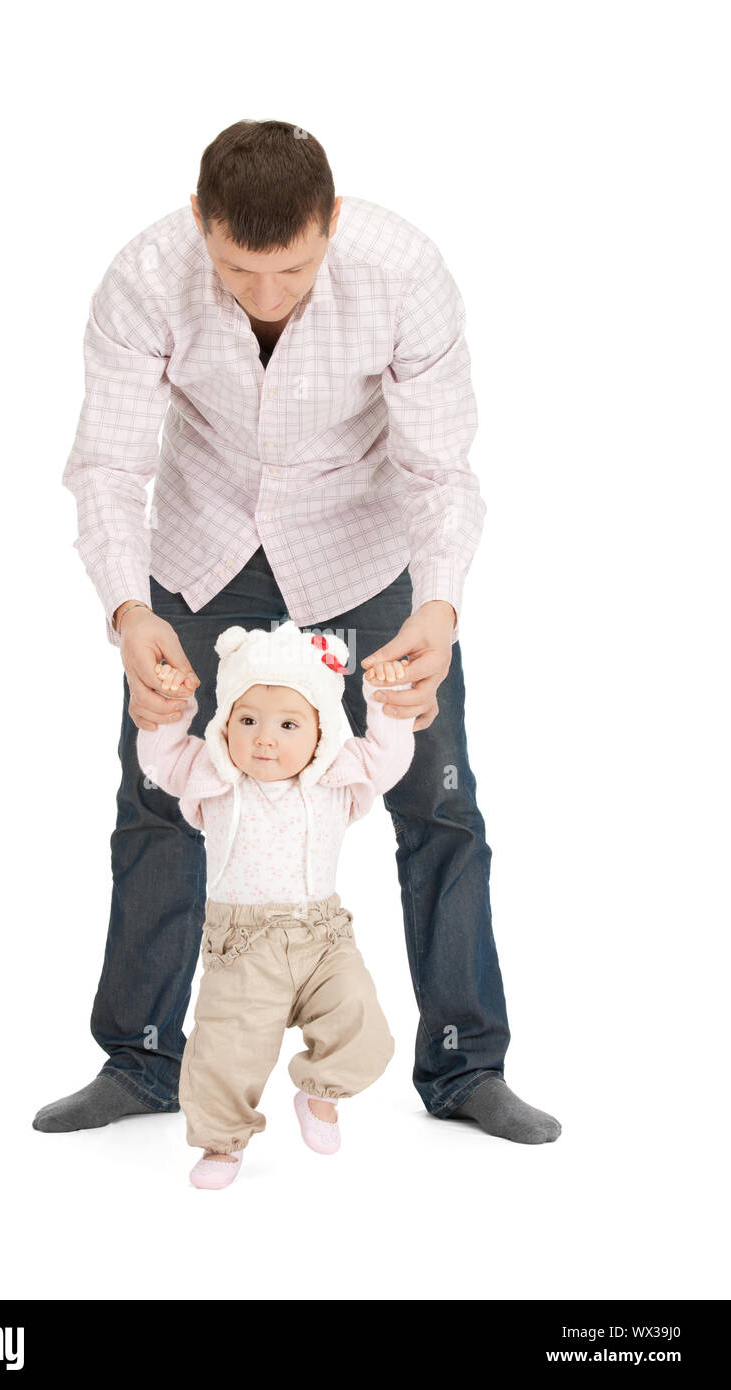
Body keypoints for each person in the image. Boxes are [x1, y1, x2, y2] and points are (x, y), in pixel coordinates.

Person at [35, 118, 561, 1145]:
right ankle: (142, 1054)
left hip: (362, 553)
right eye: (238, 268)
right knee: (158, 794)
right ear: (201, 226)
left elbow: (441, 472)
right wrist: (127, 610)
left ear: (331, 221)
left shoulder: (403, 272)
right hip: (198, 550)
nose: (264, 294)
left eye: (293, 269)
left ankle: (464, 1063)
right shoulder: (145, 276)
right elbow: (107, 466)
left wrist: (439, 605)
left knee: (438, 802)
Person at [136, 619, 416, 1188]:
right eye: (247, 721)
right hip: (242, 945)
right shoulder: (213, 774)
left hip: (323, 941)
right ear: (225, 725)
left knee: (363, 1023)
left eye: (289, 724)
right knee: (223, 1053)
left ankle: (319, 1091)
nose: (265, 738)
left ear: (320, 732)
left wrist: (386, 702)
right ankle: (221, 1143)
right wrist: (171, 700)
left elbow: (387, 758)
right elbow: (161, 757)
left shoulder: (336, 777)